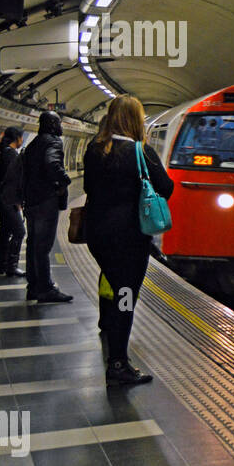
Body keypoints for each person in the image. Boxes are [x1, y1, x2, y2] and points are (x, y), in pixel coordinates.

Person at [83, 95, 174, 385]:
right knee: (126, 296)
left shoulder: (94, 149)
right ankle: (118, 363)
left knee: (113, 282)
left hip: (97, 234)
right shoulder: (140, 152)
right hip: (129, 237)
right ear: (136, 120)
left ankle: (110, 330)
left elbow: (88, 187)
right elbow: (166, 187)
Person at [22, 111, 74, 303]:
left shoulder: (33, 144)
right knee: (43, 247)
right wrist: (65, 180)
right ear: (52, 124)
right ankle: (45, 289)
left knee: (33, 245)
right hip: (46, 201)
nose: (61, 126)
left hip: (32, 201)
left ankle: (33, 286)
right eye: (59, 122)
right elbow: (52, 163)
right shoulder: (53, 142)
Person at [0, 126, 26, 278]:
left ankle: (1, 265)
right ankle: (11, 266)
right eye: (21, 137)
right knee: (20, 231)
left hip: (1, 198)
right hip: (8, 199)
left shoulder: (4, 153)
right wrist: (18, 200)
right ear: (17, 138)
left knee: (5, 231)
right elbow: (15, 180)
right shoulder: (12, 155)